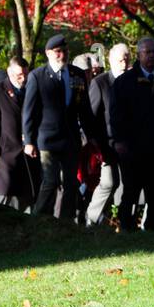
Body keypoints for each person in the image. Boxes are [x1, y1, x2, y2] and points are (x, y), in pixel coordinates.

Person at [22, 33, 102, 220]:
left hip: (70, 138)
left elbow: (85, 109)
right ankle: (39, 219)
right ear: (48, 53)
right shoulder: (37, 76)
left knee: (71, 183)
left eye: (65, 51)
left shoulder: (77, 75)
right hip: (47, 139)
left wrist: (92, 137)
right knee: (50, 181)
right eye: (58, 52)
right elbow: (29, 111)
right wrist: (29, 140)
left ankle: (65, 223)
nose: (62, 55)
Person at [111, 36, 154, 232]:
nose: (152, 56)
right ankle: (127, 227)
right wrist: (120, 141)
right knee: (130, 190)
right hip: (132, 147)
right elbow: (116, 114)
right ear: (139, 55)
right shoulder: (124, 82)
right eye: (148, 52)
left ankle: (152, 227)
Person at [0, 56, 39, 211]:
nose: (23, 79)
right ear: (9, 72)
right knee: (5, 196)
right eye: (19, 75)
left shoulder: (31, 89)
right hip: (5, 154)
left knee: (27, 198)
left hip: (27, 154)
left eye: (26, 74)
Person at [86, 43, 131, 227]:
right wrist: (95, 142)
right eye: (120, 60)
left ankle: (122, 221)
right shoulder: (100, 82)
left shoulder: (132, 80)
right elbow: (91, 115)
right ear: (111, 61)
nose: (124, 63)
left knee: (127, 184)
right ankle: (92, 216)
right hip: (107, 143)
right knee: (108, 182)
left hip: (129, 141)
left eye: (127, 59)